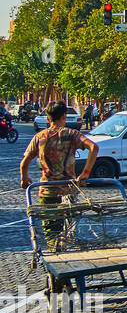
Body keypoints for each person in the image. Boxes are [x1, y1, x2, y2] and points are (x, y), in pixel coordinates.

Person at [19, 102, 100, 250]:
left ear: (48, 119)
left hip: (47, 190)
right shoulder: (72, 134)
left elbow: (24, 163)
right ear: (64, 116)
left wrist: (24, 178)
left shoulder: (39, 137)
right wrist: (85, 173)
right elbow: (94, 147)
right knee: (69, 228)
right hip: (68, 190)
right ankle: (64, 251)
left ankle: (55, 254)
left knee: (51, 230)